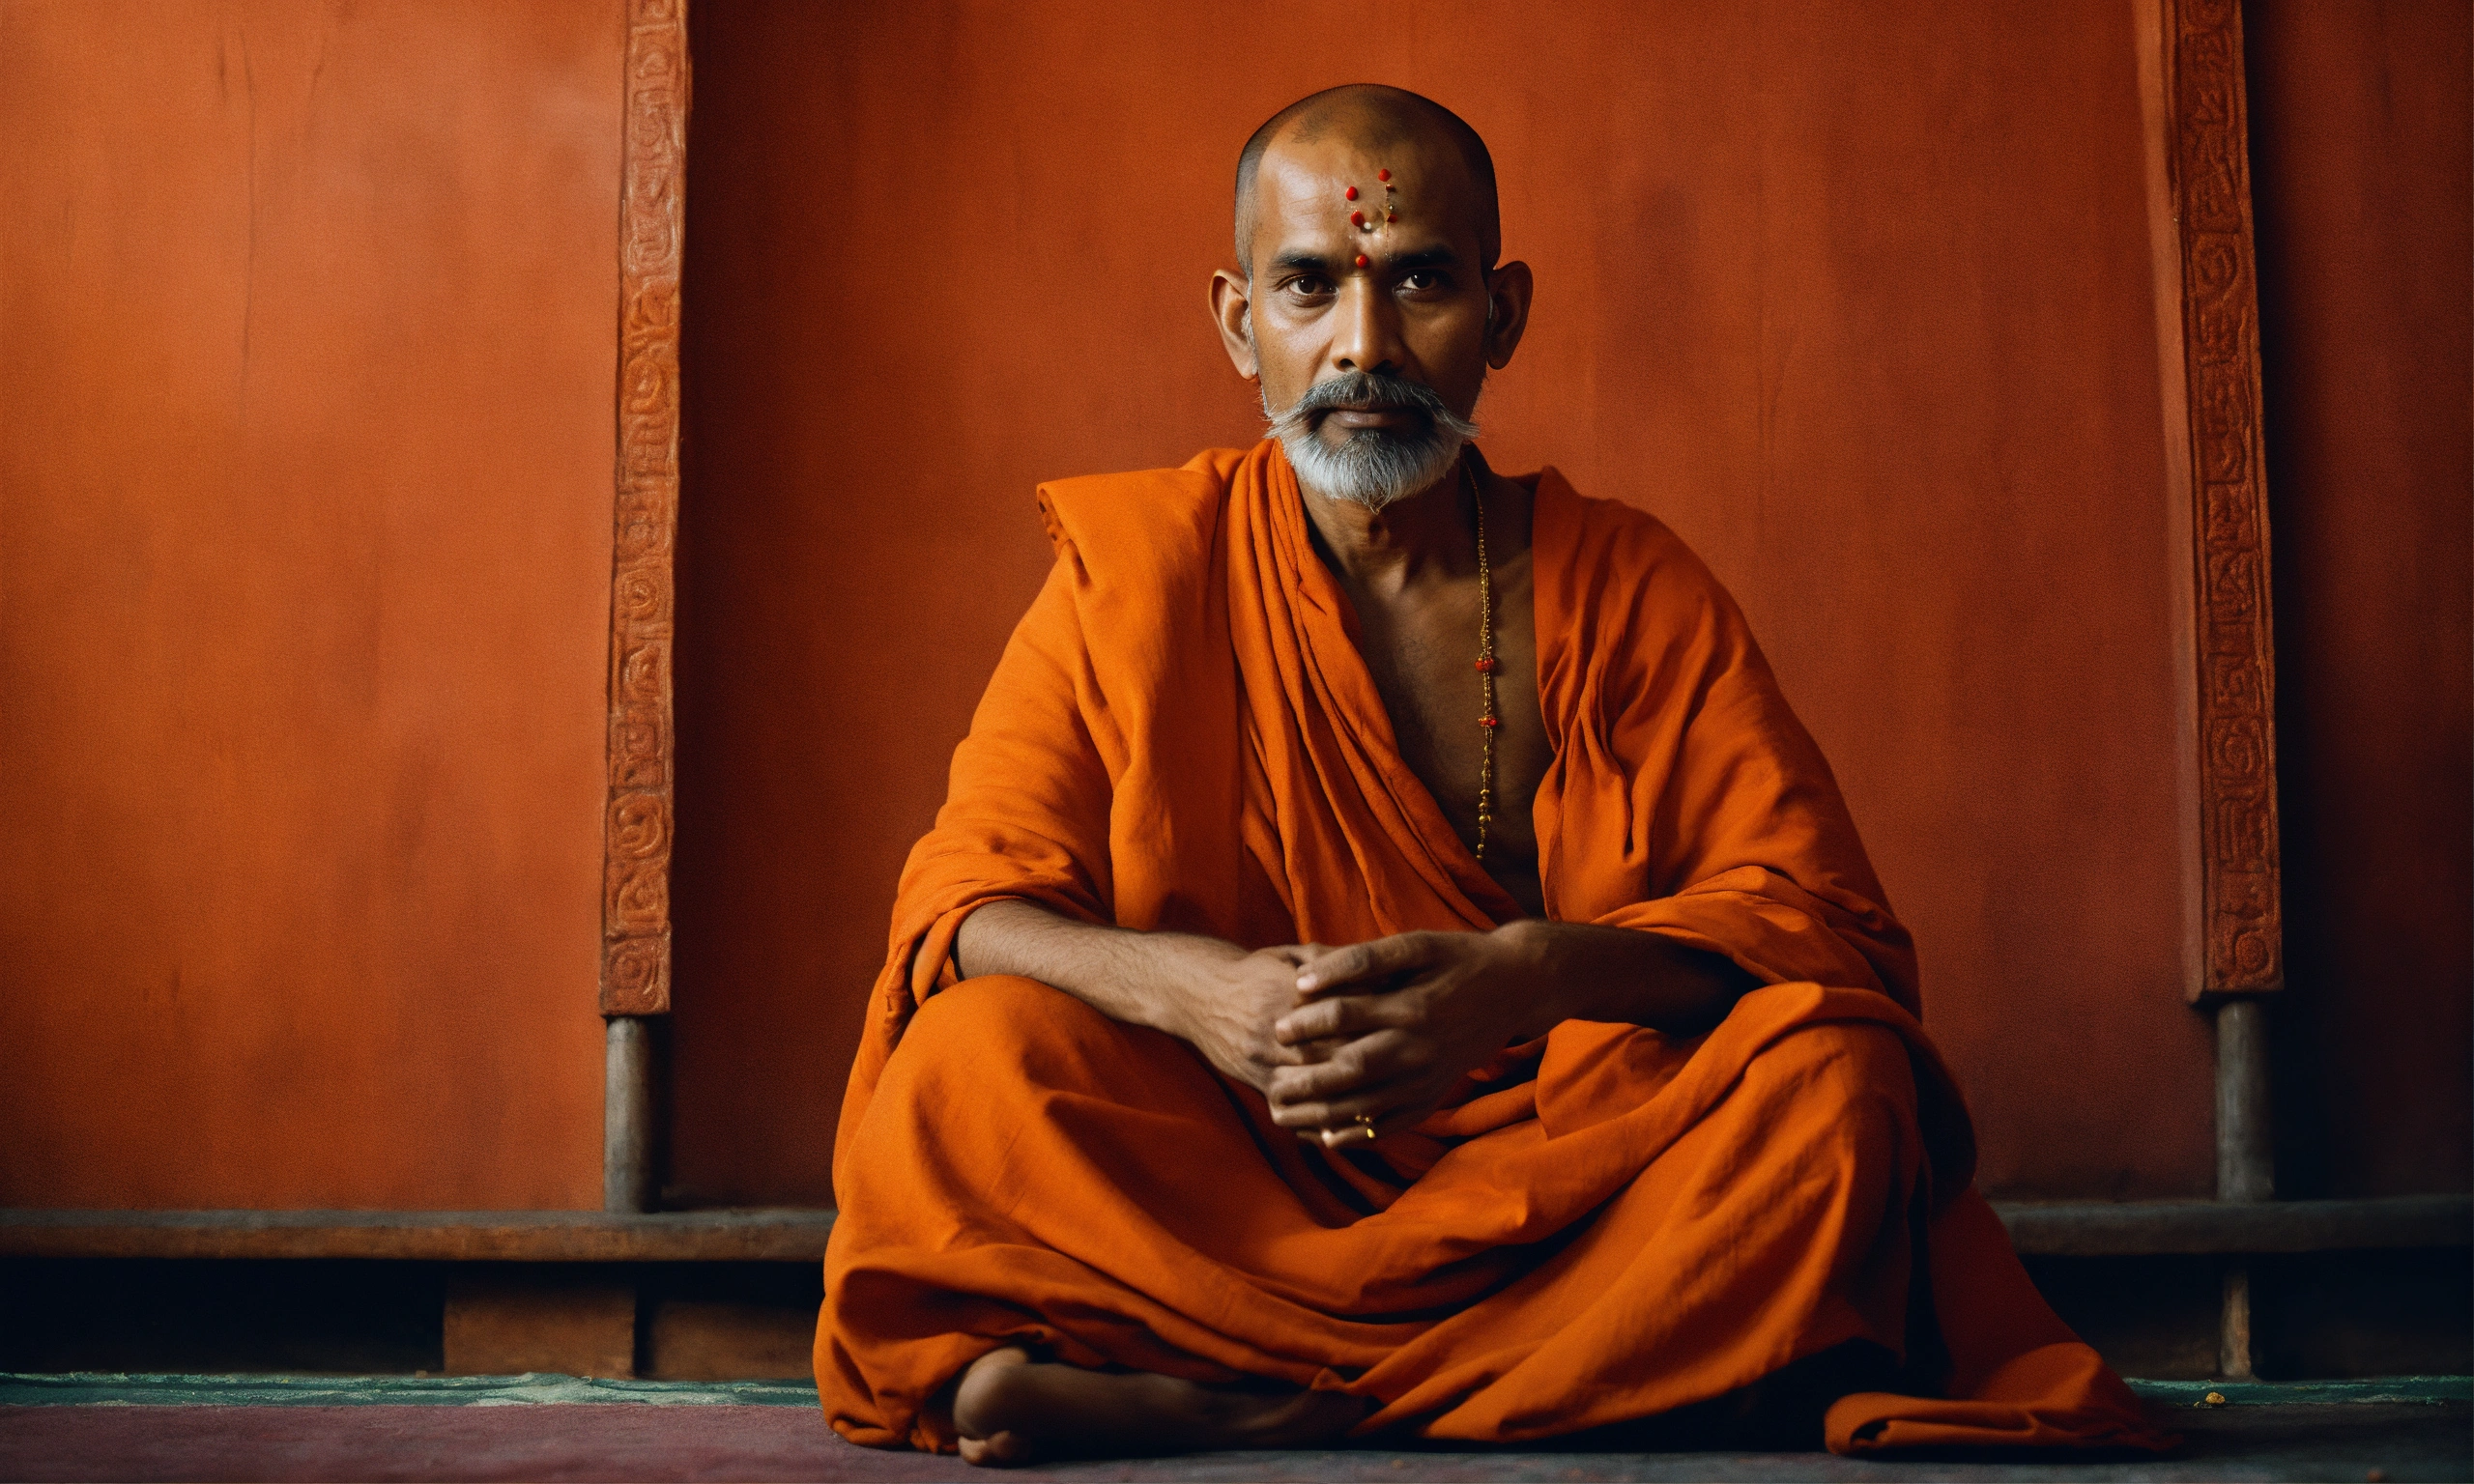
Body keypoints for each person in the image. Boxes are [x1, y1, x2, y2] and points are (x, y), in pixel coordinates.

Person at [816, 84, 2167, 1466]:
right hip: (1244, 1157)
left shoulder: (1620, 585)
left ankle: (1255, 1393)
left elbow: (1819, 928)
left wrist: (1528, 977)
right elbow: (967, 911)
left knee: (1840, 1083)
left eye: (1420, 282)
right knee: (964, 1066)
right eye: (1309, 287)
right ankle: (1594, 1373)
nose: (1364, 344)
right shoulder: (1144, 573)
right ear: (1238, 321)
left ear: (1502, 312)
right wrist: (1204, 995)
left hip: (1564, 1168)